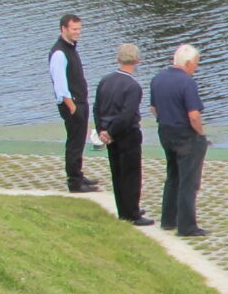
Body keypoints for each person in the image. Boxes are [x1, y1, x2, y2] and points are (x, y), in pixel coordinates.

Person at [151, 44, 210, 238]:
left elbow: (153, 109)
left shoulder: (158, 79)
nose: (196, 68)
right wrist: (200, 134)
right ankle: (187, 226)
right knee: (188, 181)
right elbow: (193, 115)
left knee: (173, 175)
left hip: (165, 131)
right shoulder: (187, 83)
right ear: (188, 63)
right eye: (196, 64)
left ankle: (168, 219)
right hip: (185, 135)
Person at [93, 43, 150, 225]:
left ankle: (123, 209)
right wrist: (111, 131)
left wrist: (103, 130)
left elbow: (96, 108)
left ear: (118, 59)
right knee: (131, 174)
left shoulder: (105, 81)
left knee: (117, 172)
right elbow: (127, 115)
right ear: (137, 61)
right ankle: (132, 213)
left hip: (109, 133)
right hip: (127, 134)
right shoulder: (133, 86)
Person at [48, 13, 98, 193]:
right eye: (74, 29)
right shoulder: (60, 53)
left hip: (79, 102)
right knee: (74, 142)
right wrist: (72, 107)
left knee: (79, 141)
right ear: (63, 29)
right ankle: (74, 182)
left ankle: (78, 174)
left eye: (79, 29)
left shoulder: (70, 48)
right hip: (72, 104)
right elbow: (60, 85)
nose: (78, 32)